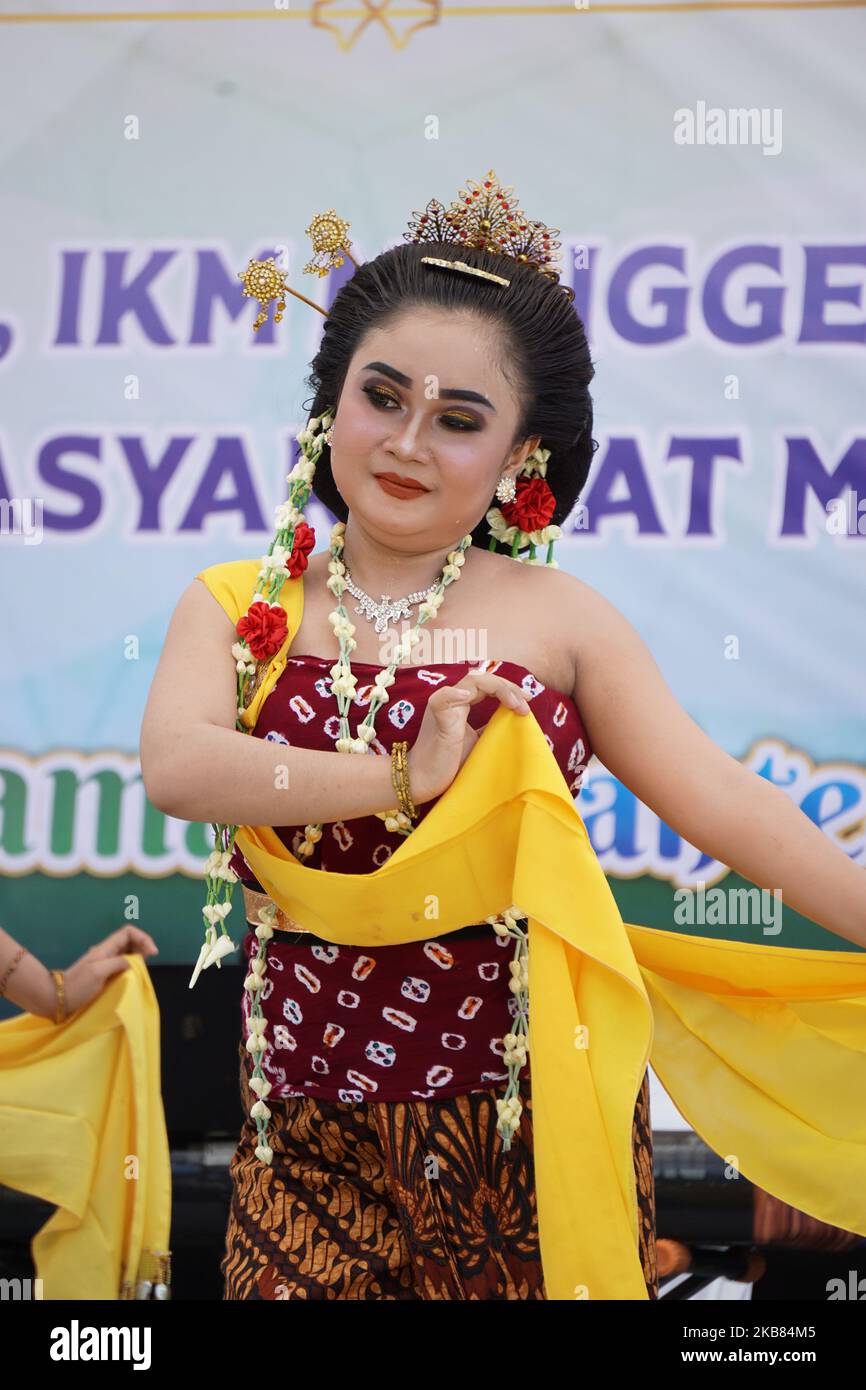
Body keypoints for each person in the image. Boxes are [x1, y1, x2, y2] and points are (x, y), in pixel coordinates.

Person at [140, 171, 866, 1301]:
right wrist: (393, 771)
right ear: (332, 398)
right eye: (382, 396)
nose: (407, 443)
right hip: (303, 1125)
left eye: (459, 419)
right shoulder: (235, 602)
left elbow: (727, 805)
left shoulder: (559, 623)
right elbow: (180, 767)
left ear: (521, 453)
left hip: (524, 1117)